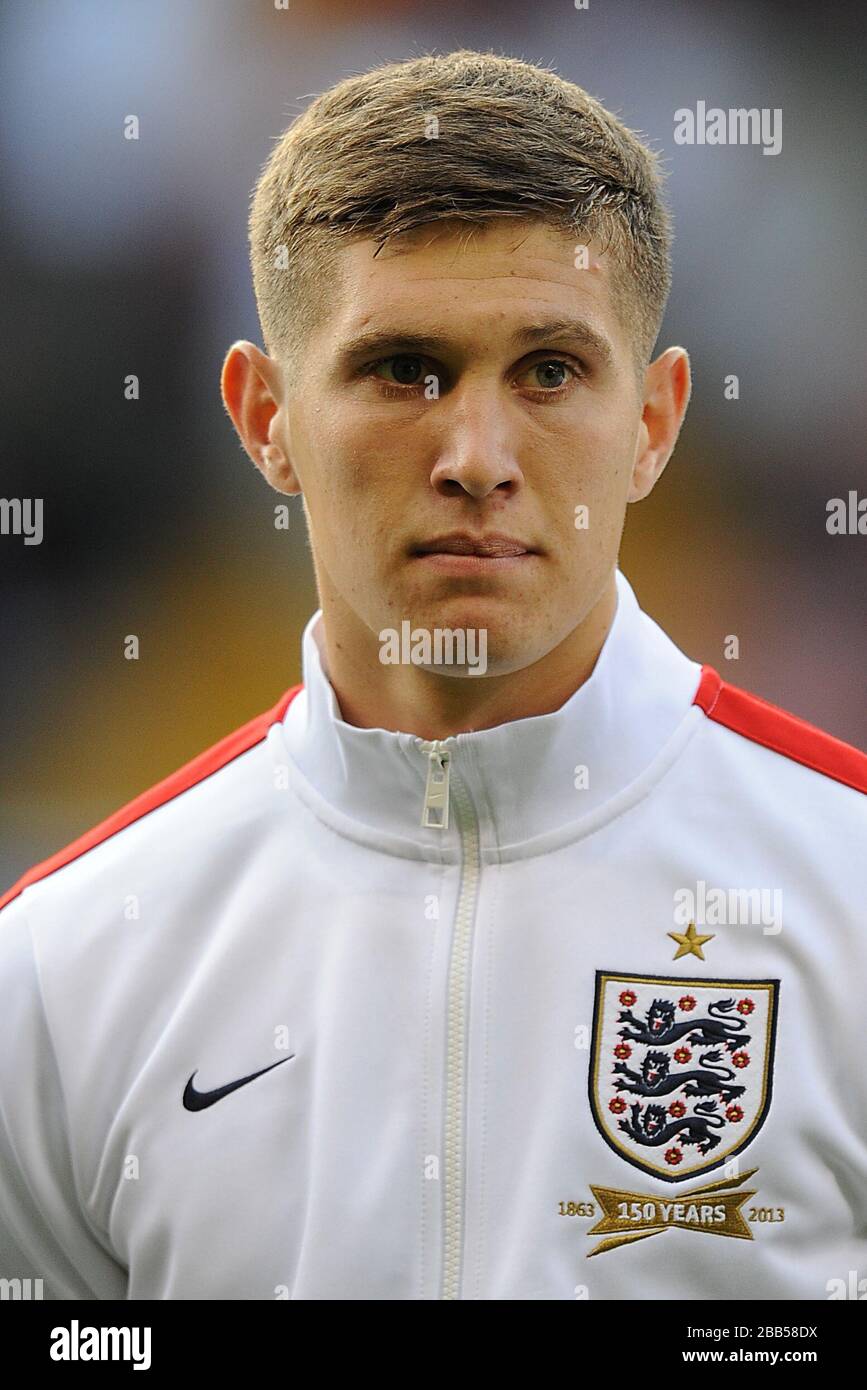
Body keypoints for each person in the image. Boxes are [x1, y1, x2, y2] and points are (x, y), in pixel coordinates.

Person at [1, 50, 864, 1301]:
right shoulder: (63, 964)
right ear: (265, 418)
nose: (476, 454)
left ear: (655, 424)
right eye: (405, 369)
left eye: (551, 371)